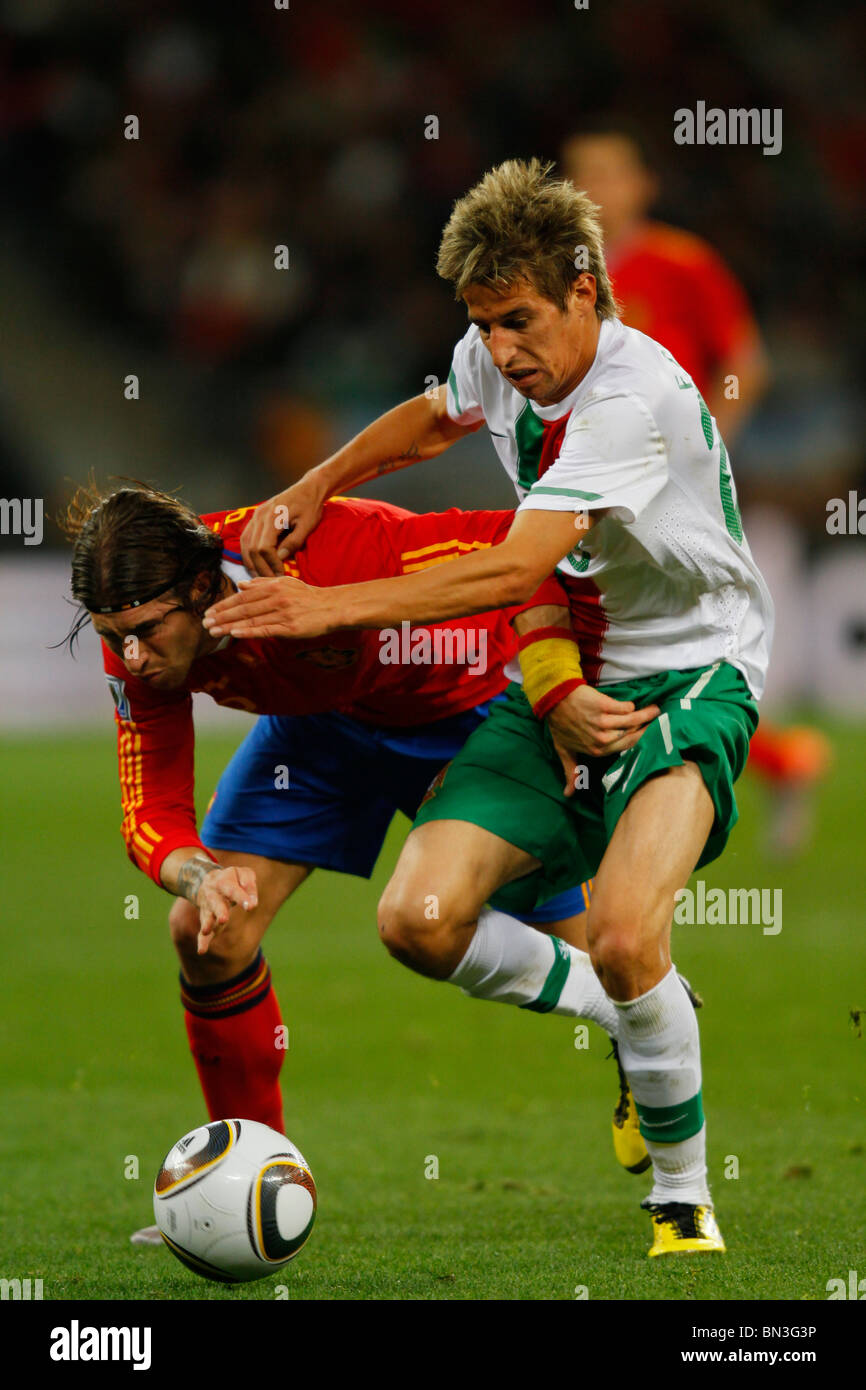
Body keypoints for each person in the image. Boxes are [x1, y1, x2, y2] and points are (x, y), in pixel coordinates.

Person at [205, 158, 774, 1256]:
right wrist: (311, 484)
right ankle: (639, 1014)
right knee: (416, 924)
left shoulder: (627, 398)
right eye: (482, 325)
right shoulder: (502, 349)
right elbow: (431, 417)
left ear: (584, 290)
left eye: (518, 322)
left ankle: (681, 1202)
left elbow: (510, 571)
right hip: (564, 657)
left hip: (690, 670)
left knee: (618, 929)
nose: (501, 350)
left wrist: (326, 607)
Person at [62, 479, 657, 1243]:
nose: (132, 656)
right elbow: (151, 808)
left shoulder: (326, 546)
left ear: (206, 586)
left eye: (144, 629)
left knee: (607, 954)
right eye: (111, 635)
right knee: (204, 932)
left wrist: (559, 687)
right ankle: (248, 1175)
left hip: (464, 717)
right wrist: (201, 876)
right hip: (319, 734)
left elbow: (528, 545)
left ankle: (650, 1060)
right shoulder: (139, 643)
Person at [560, 122, 830, 854]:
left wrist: (704, 450)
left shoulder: (682, 263)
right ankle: (779, 759)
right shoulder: (558, 276)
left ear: (643, 185)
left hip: (667, 490)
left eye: (612, 172)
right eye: (582, 173)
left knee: (636, 638)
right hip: (589, 483)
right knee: (608, 638)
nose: (597, 189)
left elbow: (746, 361)